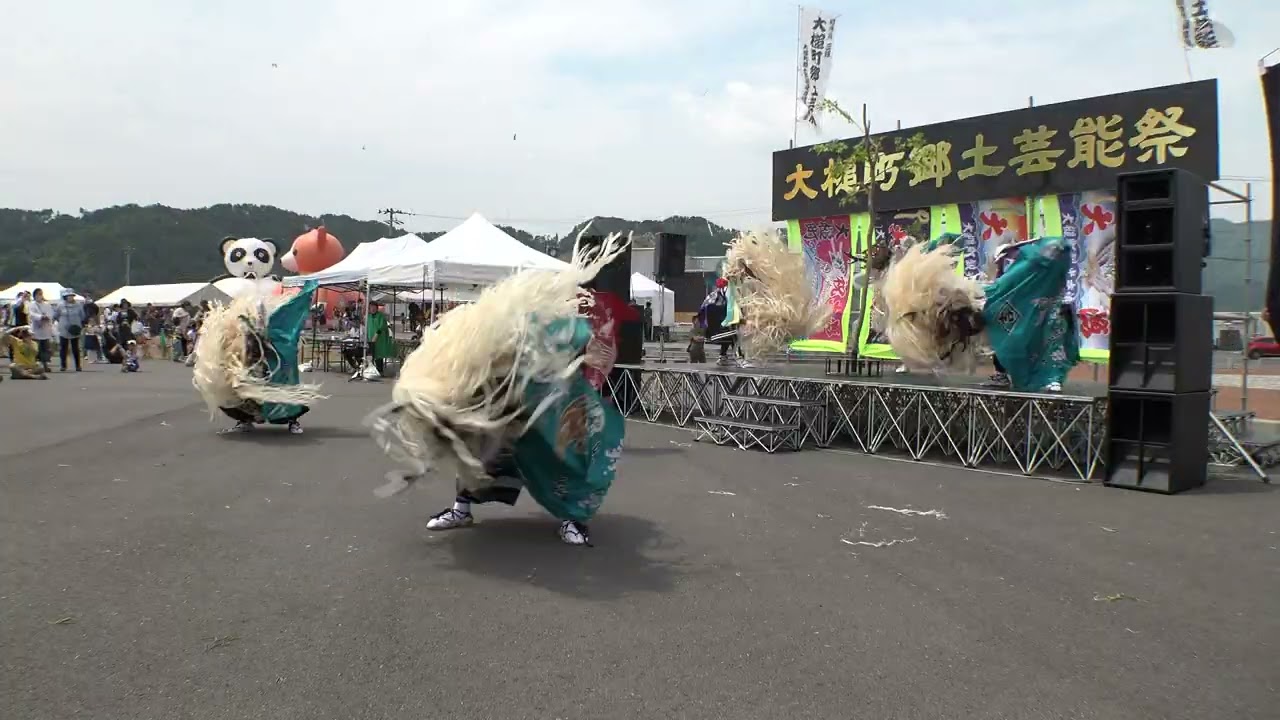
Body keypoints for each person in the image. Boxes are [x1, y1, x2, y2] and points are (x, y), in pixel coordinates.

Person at [367, 231, 631, 546]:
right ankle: (461, 509)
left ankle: (572, 518)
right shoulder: (507, 324)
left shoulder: (569, 325)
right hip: (505, 401)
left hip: (548, 404)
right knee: (476, 448)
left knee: (561, 458)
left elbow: (583, 357)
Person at [193, 280, 322, 435]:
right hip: (247, 359)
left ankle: (292, 421)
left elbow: (269, 329)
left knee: (280, 386)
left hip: (270, 356)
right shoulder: (240, 312)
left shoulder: (266, 310)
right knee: (239, 390)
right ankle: (245, 421)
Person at [54, 289, 86, 372]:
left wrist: (78, 324)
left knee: (75, 348)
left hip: (75, 329)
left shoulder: (78, 305)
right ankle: (63, 365)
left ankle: (78, 365)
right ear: (65, 297)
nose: (70, 297)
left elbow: (82, 316)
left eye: (71, 296)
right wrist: (62, 323)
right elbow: (56, 316)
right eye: (68, 296)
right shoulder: (60, 305)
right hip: (64, 329)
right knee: (63, 348)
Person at [26, 288, 55, 373]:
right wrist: (40, 317)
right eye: (38, 294)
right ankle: (34, 366)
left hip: (45, 329)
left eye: (41, 294)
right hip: (36, 329)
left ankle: (45, 365)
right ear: (35, 296)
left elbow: (51, 313)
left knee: (45, 349)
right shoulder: (32, 305)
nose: (40, 296)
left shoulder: (47, 305)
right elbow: (31, 314)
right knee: (36, 349)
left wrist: (47, 317)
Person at [366, 302, 395, 377]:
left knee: (378, 355)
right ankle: (372, 369)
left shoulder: (381, 316)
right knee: (371, 354)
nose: (372, 309)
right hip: (370, 337)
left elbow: (382, 326)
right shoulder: (368, 316)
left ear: (377, 308)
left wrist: (376, 335)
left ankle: (380, 370)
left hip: (379, 339)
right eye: (371, 307)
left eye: (374, 307)